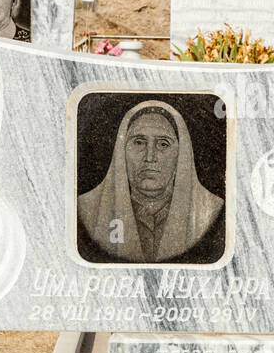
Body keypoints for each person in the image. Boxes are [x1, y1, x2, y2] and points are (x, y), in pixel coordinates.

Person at [78, 100, 225, 264]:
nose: (149, 157)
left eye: (163, 144)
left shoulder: (211, 210)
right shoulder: (88, 208)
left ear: (181, 155)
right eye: (139, 142)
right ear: (121, 151)